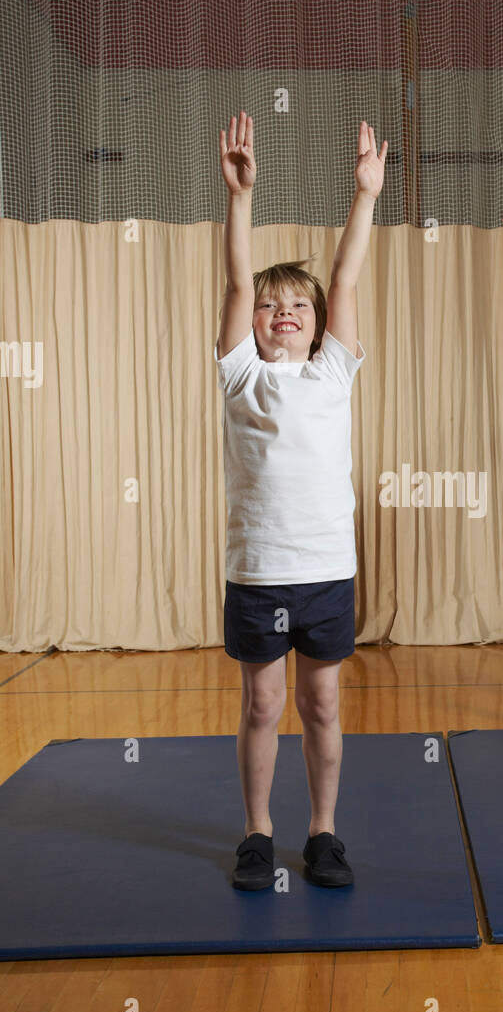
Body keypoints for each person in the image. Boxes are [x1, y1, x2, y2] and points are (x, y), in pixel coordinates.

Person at [216, 111, 387, 887]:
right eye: (270, 304)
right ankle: (258, 832)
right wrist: (241, 199)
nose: (284, 311)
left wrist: (365, 195)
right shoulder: (240, 375)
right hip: (259, 573)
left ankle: (322, 831)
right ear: (253, 324)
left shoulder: (330, 373)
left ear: (319, 330)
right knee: (263, 706)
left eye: (299, 306)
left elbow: (346, 275)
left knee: (321, 706)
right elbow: (234, 277)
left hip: (325, 570)